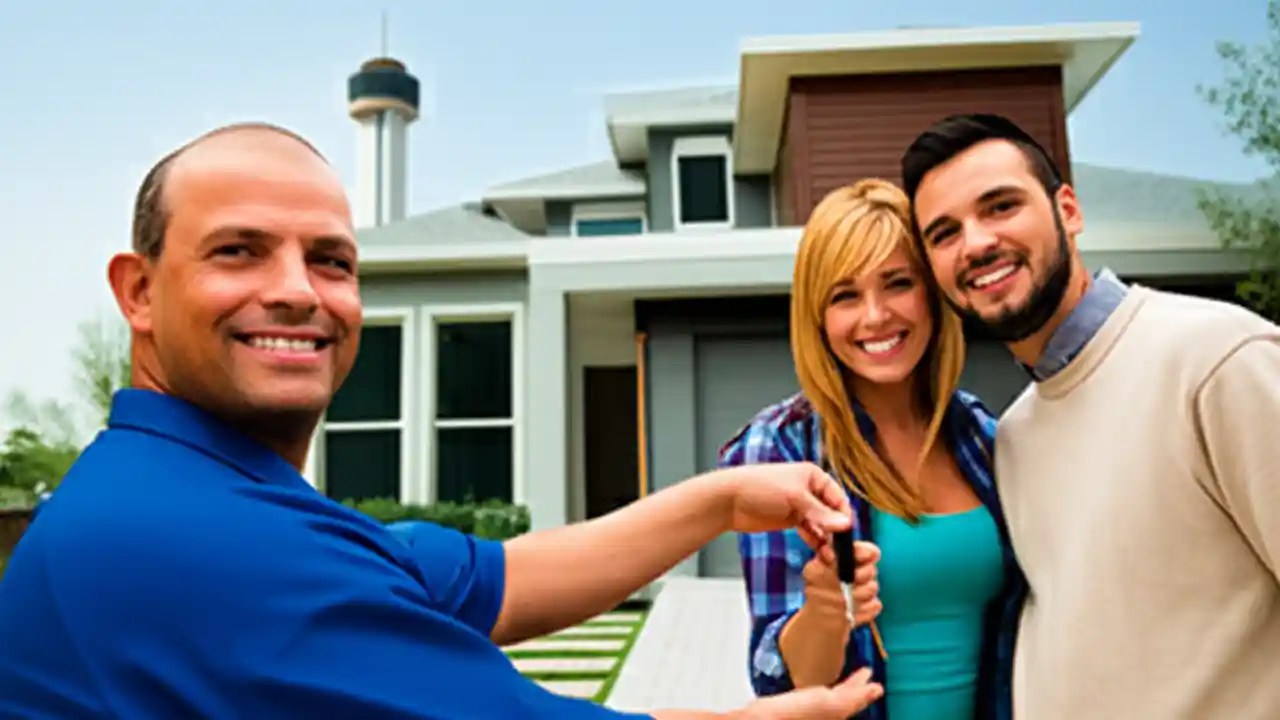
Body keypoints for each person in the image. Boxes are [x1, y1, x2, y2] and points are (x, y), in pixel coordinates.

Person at [0, 123, 886, 720]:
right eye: (239, 250)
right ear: (140, 291)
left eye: (331, 261)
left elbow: (504, 579)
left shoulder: (215, 492)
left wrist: (724, 498)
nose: (298, 292)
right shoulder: (182, 538)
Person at [900, 113, 1280, 719]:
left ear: (1068, 211)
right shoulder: (1014, 435)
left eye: (1000, 206)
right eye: (944, 234)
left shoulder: (1214, 359)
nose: (975, 243)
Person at [722, 179, 1026, 720]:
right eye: (845, 296)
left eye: (897, 284)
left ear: (931, 292)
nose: (875, 316)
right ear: (817, 317)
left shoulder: (980, 435)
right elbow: (786, 687)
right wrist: (824, 609)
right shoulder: (780, 450)